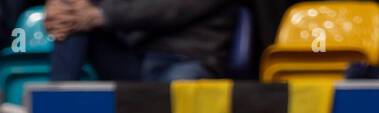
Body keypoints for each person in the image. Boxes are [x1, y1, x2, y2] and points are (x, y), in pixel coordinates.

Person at [44, 0, 238, 82]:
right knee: (72, 22)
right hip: (136, 58)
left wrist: (100, 15)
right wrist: (65, 6)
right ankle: (51, 110)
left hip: (189, 60)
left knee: (174, 98)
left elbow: (170, 10)